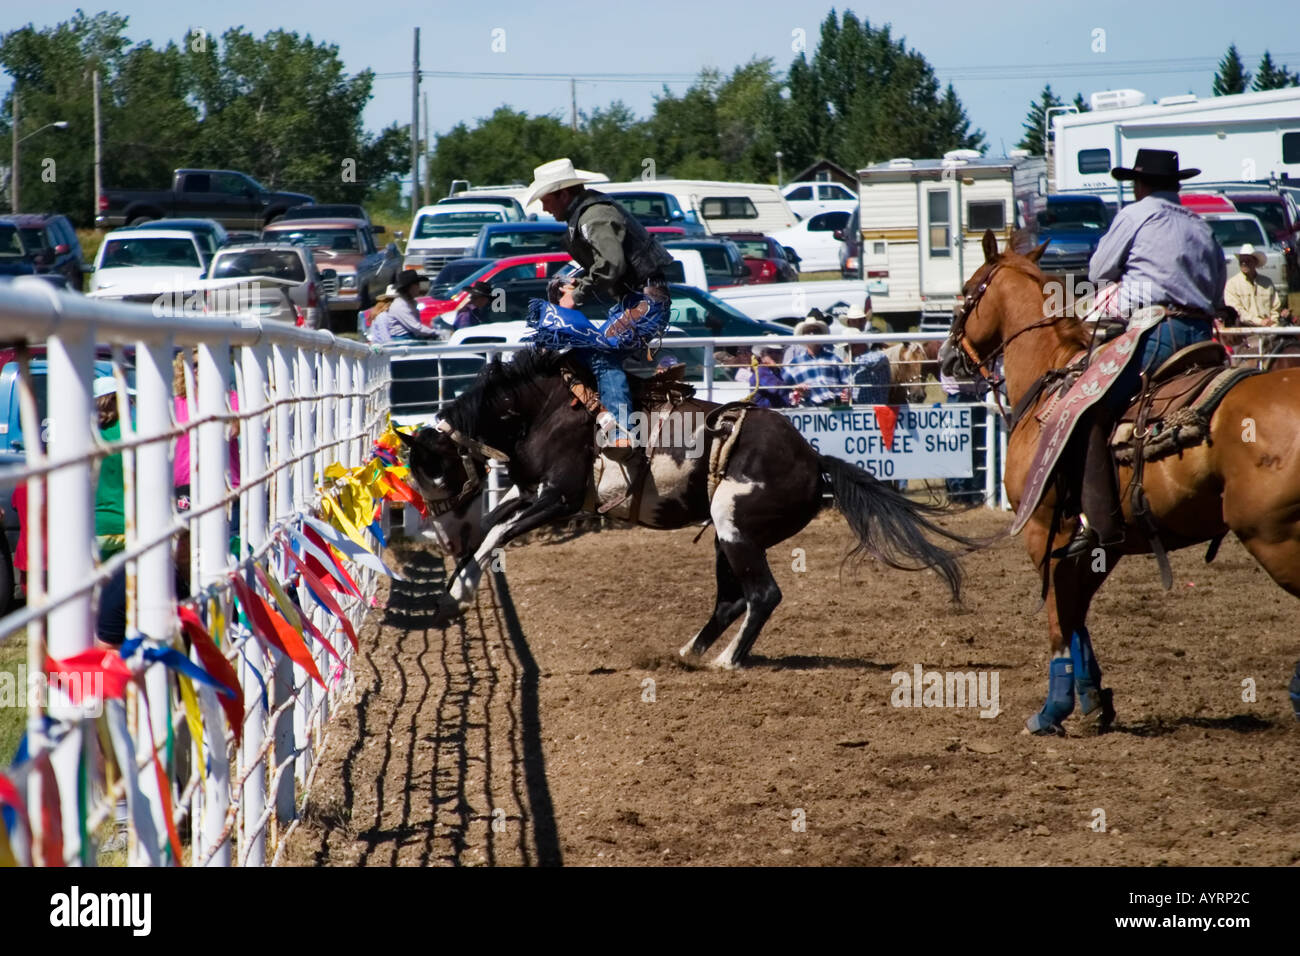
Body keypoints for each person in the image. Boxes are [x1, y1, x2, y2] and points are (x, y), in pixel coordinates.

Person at [1053, 148, 1226, 559]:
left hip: (1157, 333)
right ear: (1177, 183)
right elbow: (1218, 291)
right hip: (1203, 338)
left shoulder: (1136, 214)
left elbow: (1098, 271)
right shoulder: (1202, 226)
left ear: (1140, 182)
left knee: (1085, 408)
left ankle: (1096, 523)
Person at [524, 157, 676, 455]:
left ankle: (621, 431)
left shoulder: (593, 217)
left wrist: (576, 294)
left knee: (603, 353)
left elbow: (611, 263)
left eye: (545, 200)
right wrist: (574, 282)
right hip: (636, 302)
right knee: (583, 354)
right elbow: (607, 262)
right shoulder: (590, 214)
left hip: (645, 305)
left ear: (563, 194)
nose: (543, 208)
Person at [1223, 244, 1288, 364]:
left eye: (1247, 260)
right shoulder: (1232, 284)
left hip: (1269, 332)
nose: (1244, 263)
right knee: (1242, 366)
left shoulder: (1267, 282)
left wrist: (1273, 321)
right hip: (1244, 334)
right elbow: (1237, 311)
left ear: (1255, 262)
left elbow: (1275, 306)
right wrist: (1260, 322)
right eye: (1242, 261)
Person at [783, 319, 851, 407]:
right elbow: (782, 387)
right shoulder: (794, 363)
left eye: (816, 331)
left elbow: (848, 382)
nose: (812, 334)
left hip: (835, 406)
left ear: (821, 335)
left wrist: (846, 393)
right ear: (803, 336)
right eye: (808, 332)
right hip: (809, 409)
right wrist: (795, 389)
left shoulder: (834, 358)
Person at [367, 269, 441, 345]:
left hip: (411, 338)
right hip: (403, 341)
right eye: (417, 285)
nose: (419, 288)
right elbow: (416, 327)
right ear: (410, 287)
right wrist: (437, 333)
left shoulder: (410, 303)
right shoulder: (400, 305)